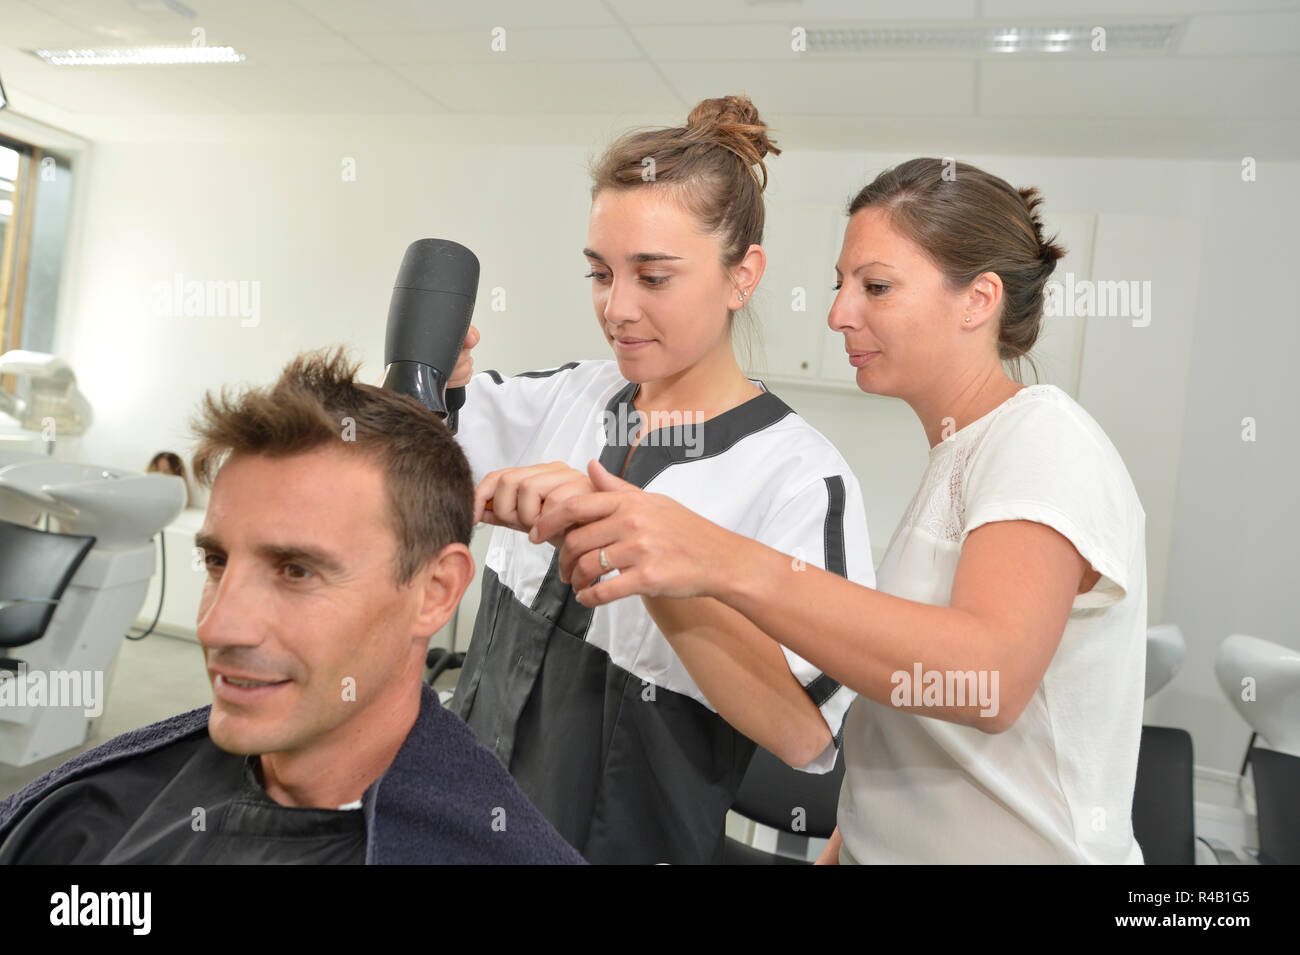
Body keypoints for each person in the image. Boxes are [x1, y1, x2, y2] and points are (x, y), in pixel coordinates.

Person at [533, 158, 1149, 865]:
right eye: (840, 284)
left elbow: (989, 680)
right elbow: (915, 727)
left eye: (876, 287)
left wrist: (714, 557)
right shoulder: (955, 463)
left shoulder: (1044, 436)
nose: (837, 314)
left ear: (978, 299)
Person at [447, 95, 875, 864]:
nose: (617, 308)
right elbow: (407, 453)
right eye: (601, 273)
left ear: (742, 276)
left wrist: (655, 567)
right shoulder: (566, 397)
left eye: (653, 276)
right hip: (464, 826)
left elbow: (802, 732)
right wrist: (426, 381)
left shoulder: (801, 480)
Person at [0, 348, 584, 865]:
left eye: (296, 571)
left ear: (434, 593)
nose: (218, 626)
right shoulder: (88, 810)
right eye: (217, 563)